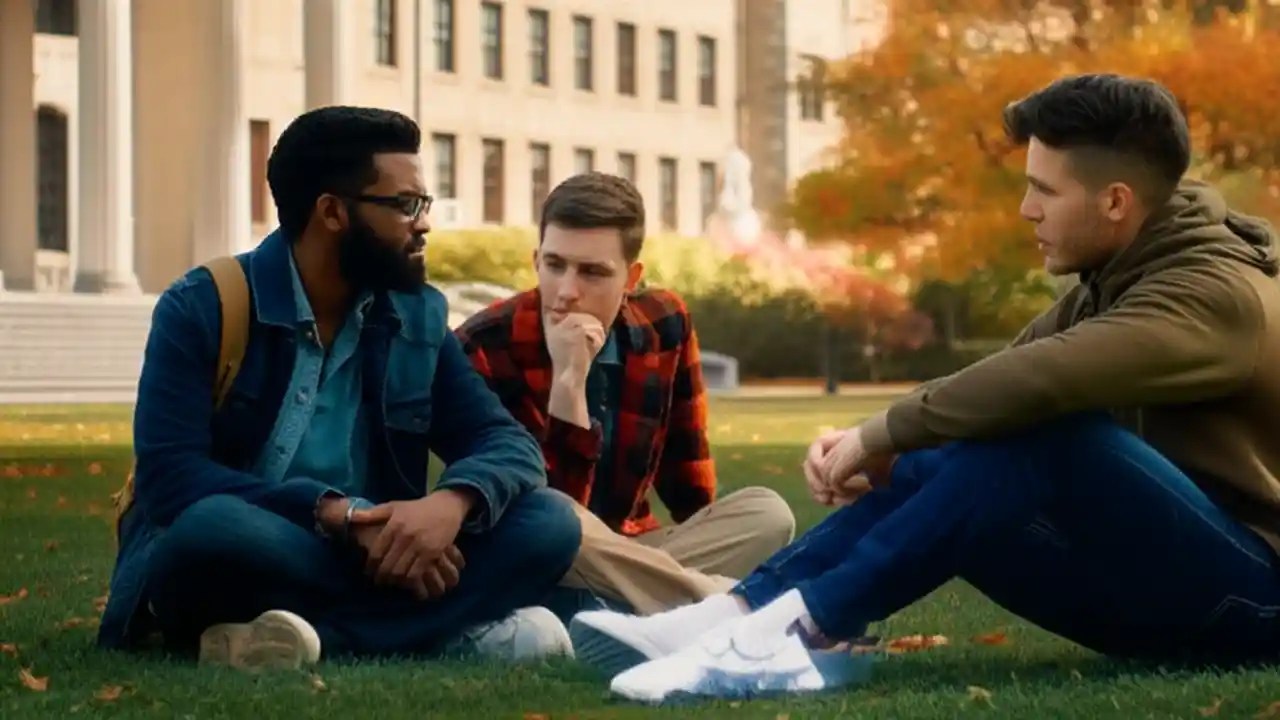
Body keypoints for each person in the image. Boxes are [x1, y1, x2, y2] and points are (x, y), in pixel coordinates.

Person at [568, 73, 1280, 702]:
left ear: (1117, 201)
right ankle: (740, 612)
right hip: (1165, 582)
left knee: (1051, 434)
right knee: (956, 452)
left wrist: (878, 433)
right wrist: (892, 454)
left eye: (1043, 190)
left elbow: (1040, 379)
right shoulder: (1123, 272)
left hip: (1254, 601)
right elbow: (998, 378)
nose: (1026, 210)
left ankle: (796, 630)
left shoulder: (1210, 294)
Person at [98, 106, 583, 670]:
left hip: (380, 559)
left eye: (422, 204)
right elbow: (170, 479)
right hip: (268, 547)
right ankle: (433, 630)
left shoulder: (415, 318)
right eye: (406, 205)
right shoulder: (204, 306)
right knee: (210, 528)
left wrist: (450, 503)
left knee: (549, 522)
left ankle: (308, 639)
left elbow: (508, 444)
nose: (424, 223)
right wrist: (338, 516)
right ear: (332, 212)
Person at [454, 172, 795, 618]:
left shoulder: (664, 322)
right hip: (536, 552)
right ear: (536, 259)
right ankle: (716, 605)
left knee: (769, 514)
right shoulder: (480, 345)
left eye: (592, 272)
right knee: (550, 511)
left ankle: (615, 607)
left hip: (631, 545)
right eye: (554, 265)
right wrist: (568, 382)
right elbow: (545, 518)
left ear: (631, 277)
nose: (566, 291)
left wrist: (706, 536)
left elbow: (689, 475)